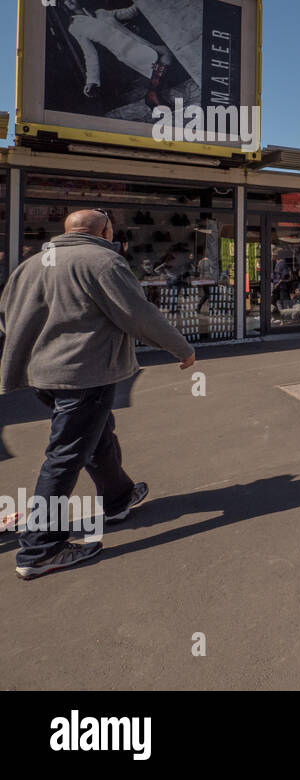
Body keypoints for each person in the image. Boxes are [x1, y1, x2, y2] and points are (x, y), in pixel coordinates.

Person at [0, 209, 195, 579]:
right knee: (65, 456)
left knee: (96, 433)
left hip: (42, 374)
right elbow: (137, 314)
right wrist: (181, 348)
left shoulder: (32, 264)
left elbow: (6, 316)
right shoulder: (103, 261)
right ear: (105, 231)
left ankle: (118, 498)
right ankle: (40, 549)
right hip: (83, 374)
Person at [60, 0, 177, 109]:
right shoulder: (75, 27)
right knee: (162, 60)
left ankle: (153, 95)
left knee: (164, 56)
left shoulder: (101, 13)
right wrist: (91, 80)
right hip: (127, 52)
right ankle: (153, 96)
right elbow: (90, 54)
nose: (69, 1)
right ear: (64, 6)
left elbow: (129, 12)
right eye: (65, 0)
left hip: (140, 43)